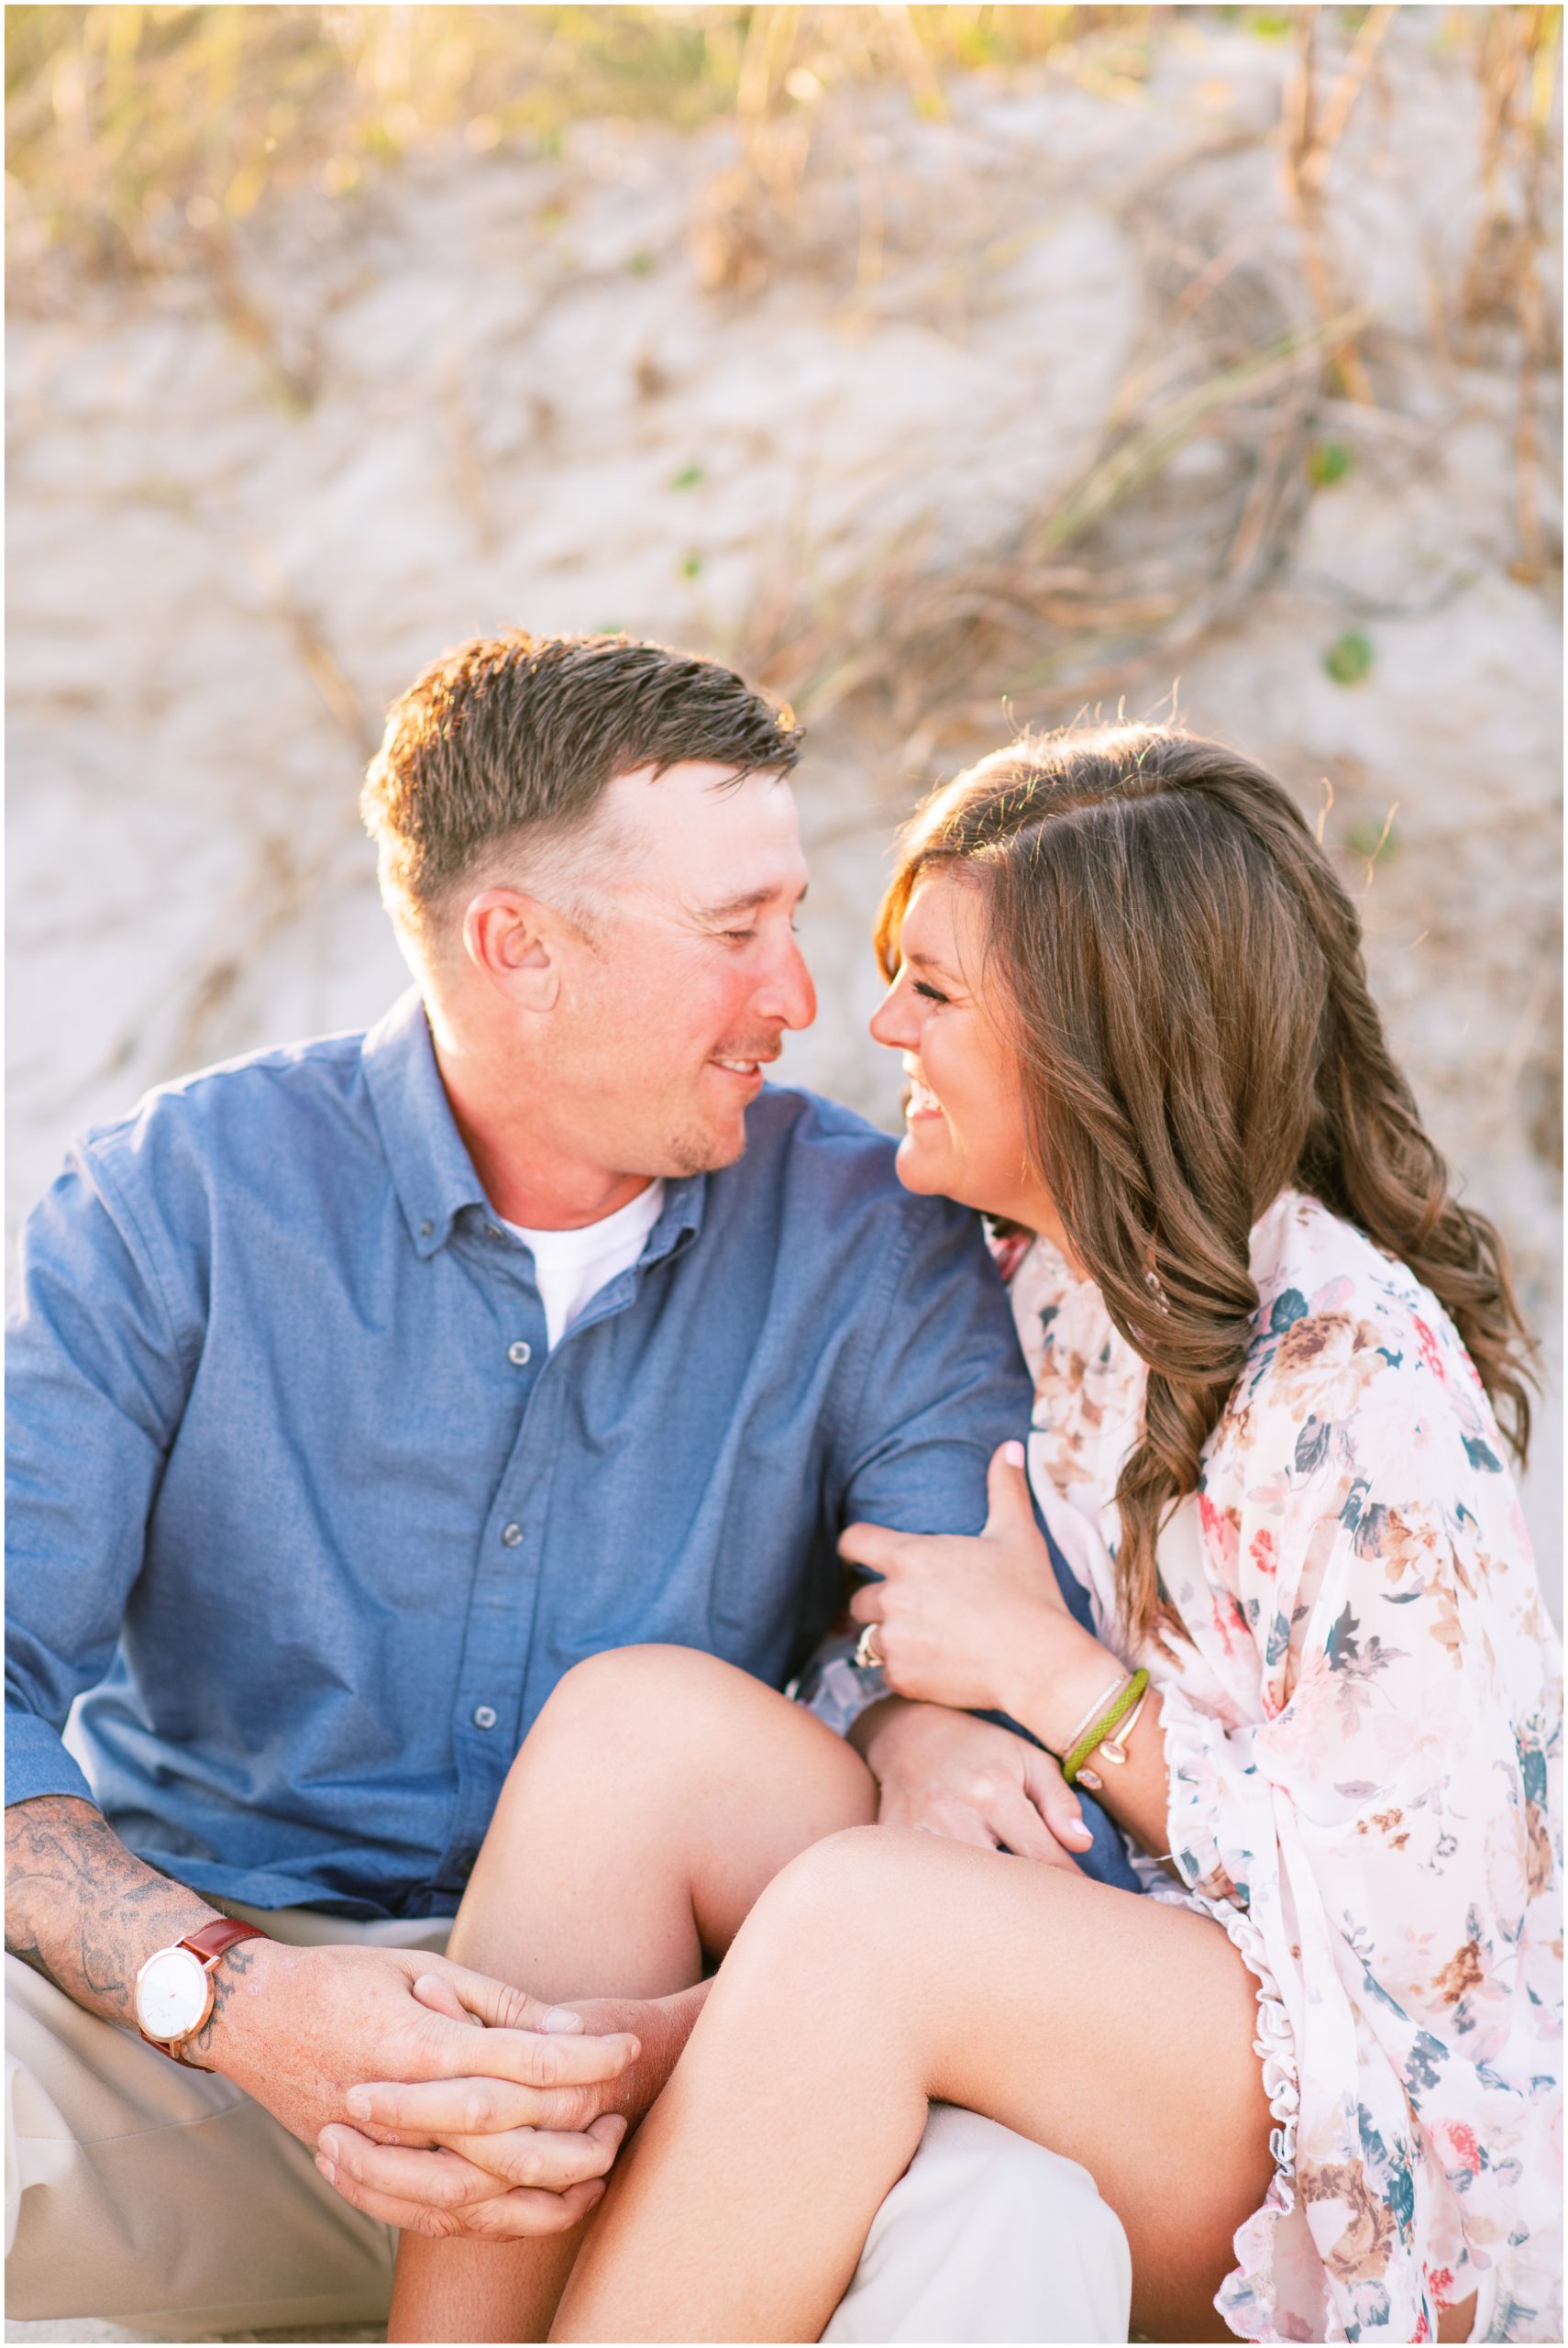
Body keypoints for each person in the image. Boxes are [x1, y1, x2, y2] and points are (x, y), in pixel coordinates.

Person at [5, 634, 1142, 2340]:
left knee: (1022, 2222)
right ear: (516, 945)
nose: (801, 996)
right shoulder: (179, 1200)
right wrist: (229, 1997)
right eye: (735, 932)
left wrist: (915, 1727)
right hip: (216, 2043)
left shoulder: (871, 1237)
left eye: (792, 919)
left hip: (666, 2072)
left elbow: (949, 1632)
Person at [387, 725, 1562, 2345]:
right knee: (632, 1734)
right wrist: (908, 1721)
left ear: (1095, 1041)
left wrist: (1054, 1682)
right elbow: (882, 1631)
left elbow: (1418, 1922)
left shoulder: (1354, 1367)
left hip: (1339, 2083)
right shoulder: (1012, 1279)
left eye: (933, 989)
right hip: (1078, 1915)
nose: (876, 1024)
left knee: (864, 1926)